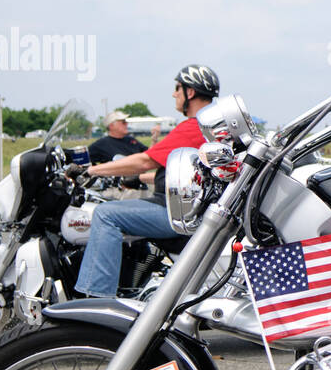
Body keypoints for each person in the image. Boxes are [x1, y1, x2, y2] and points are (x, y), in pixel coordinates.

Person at [70, 65, 219, 297]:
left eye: (177, 88)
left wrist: (91, 171)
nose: (174, 94)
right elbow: (178, 172)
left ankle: (95, 297)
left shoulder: (194, 126)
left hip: (176, 212)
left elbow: (145, 161)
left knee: (105, 214)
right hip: (191, 207)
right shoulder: (212, 125)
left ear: (190, 92)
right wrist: (137, 177)